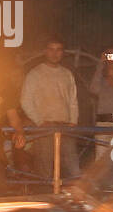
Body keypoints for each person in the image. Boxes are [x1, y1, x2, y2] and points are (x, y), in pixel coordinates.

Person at [20, 36, 79, 183]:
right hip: (45, 128)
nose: (55, 53)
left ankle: (74, 202)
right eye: (51, 49)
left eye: (58, 50)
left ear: (62, 52)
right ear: (45, 51)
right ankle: (42, 202)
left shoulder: (67, 74)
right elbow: (25, 101)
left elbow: (72, 100)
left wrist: (73, 121)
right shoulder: (34, 74)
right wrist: (39, 121)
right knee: (44, 169)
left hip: (65, 127)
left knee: (73, 168)